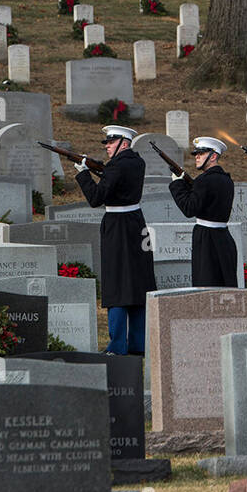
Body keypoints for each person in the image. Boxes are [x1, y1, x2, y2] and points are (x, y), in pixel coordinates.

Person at [74, 125, 157, 355]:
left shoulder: (117, 166)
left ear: (124, 142)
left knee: (117, 283)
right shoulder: (137, 162)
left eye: (111, 142)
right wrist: (102, 173)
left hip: (117, 227)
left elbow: (95, 198)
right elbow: (118, 181)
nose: (107, 146)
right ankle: (138, 344)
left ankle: (117, 345)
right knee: (138, 284)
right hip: (136, 222)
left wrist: (83, 174)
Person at [169, 136, 238, 288]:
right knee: (224, 285)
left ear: (213, 156)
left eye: (201, 153)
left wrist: (177, 184)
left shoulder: (203, 180)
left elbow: (189, 209)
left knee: (205, 286)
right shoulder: (227, 180)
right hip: (224, 238)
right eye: (196, 154)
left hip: (206, 239)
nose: (197, 157)